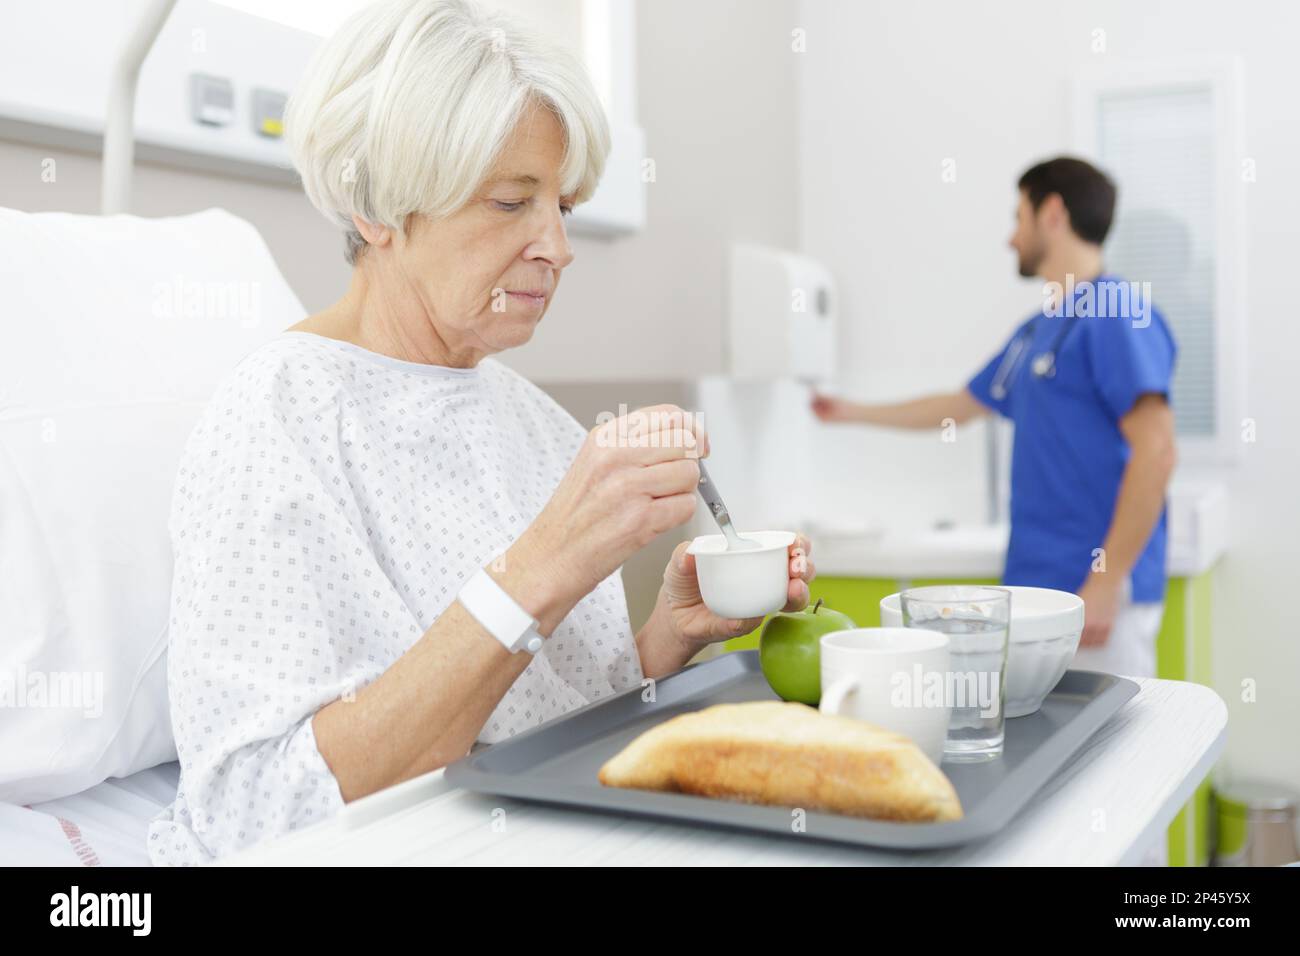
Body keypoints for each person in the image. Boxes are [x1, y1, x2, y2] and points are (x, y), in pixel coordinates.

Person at [148, 0, 815, 865]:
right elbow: (260, 814)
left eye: (564, 205)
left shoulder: (532, 420)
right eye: (511, 202)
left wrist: (666, 642)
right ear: (377, 209)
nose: (558, 247)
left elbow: (552, 720)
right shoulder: (278, 418)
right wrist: (542, 566)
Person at [812, 157, 1177, 681]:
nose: (1011, 238)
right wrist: (849, 412)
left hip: (1092, 596)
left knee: (1109, 753)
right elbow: (958, 407)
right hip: (1038, 590)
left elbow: (1158, 450)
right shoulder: (1037, 331)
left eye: (1018, 218)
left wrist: (1104, 583)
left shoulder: (1116, 312)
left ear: (1052, 212)